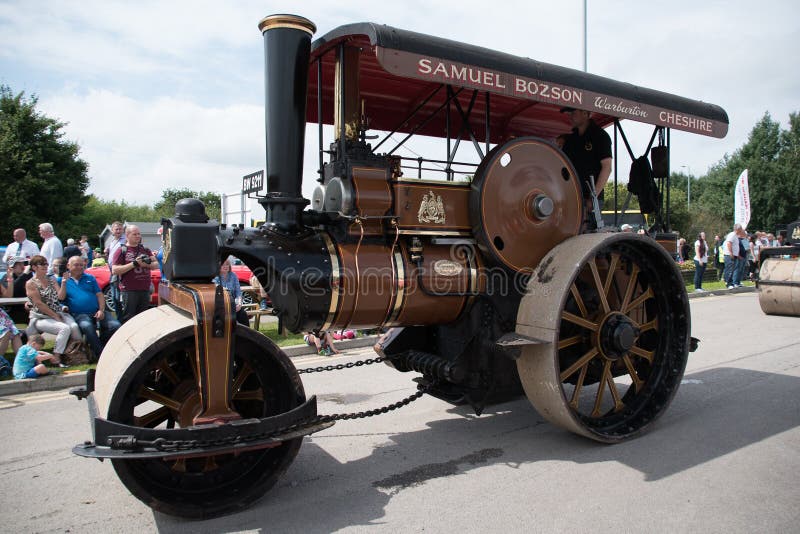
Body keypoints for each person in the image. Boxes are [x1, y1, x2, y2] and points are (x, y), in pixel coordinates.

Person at [57, 255, 120, 359]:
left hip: (96, 311)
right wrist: (64, 283)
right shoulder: (61, 280)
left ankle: (99, 344)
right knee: (87, 326)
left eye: (82, 265)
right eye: (76, 265)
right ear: (68, 266)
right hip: (79, 314)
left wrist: (101, 310)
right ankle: (100, 355)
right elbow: (60, 298)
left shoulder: (89, 278)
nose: (79, 267)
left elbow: (99, 295)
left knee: (115, 325)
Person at [25, 255, 81, 363]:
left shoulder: (52, 279)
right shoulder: (30, 283)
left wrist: (64, 283)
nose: (45, 266)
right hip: (41, 317)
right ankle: (56, 356)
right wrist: (55, 316)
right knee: (64, 328)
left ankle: (74, 353)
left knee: (74, 327)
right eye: (42, 264)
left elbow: (61, 297)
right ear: (34, 267)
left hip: (58, 313)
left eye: (46, 263)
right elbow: (38, 304)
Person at [560, 107, 612, 213]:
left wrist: (593, 197)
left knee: (588, 229)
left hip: (590, 199)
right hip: (571, 197)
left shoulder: (600, 136)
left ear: (585, 113)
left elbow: (607, 167)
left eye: (573, 113)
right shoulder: (570, 140)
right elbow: (562, 166)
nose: (570, 116)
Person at [111, 225, 157, 323]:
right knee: (129, 319)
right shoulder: (122, 250)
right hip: (129, 290)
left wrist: (146, 264)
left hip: (145, 289)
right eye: (134, 234)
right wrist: (134, 264)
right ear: (127, 235)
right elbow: (115, 270)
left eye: (139, 234)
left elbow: (156, 264)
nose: (137, 236)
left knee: (143, 318)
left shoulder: (145, 249)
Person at [212, 256, 249, 326]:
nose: (226, 266)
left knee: (243, 315)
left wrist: (239, 303)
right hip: (221, 305)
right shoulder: (215, 277)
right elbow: (217, 290)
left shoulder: (233, 275)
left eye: (227, 264)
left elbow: (238, 292)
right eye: (223, 265)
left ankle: (247, 335)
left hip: (233, 304)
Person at [1, 256, 34, 323]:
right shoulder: (6, 277)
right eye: (19, 264)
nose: (22, 266)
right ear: (12, 267)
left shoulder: (28, 275)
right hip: (12, 310)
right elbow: (12, 292)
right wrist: (24, 275)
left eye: (23, 263)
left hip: (26, 308)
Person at [104, 221, 126, 314]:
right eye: (116, 229)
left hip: (120, 271)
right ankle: (119, 317)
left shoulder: (125, 240)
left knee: (119, 297)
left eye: (120, 229)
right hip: (112, 271)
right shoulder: (112, 242)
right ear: (112, 230)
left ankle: (123, 318)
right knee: (114, 297)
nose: (118, 231)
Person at [723, 224, 745, 289]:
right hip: (729, 255)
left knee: (732, 269)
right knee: (729, 269)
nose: (741, 230)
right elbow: (729, 243)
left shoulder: (735, 236)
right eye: (741, 229)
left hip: (734, 255)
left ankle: (731, 282)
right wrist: (731, 253)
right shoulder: (732, 235)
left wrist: (737, 255)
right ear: (738, 229)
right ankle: (728, 283)